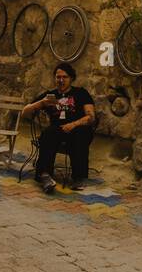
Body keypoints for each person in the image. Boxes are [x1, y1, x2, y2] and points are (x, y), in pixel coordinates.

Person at [22, 63, 96, 193]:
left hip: (77, 127)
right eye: (58, 77)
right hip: (57, 129)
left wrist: (73, 124)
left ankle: (78, 177)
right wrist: (42, 102)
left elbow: (91, 117)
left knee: (80, 135)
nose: (61, 80)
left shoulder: (81, 93)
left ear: (71, 78)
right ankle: (44, 175)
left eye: (64, 77)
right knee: (48, 134)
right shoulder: (50, 95)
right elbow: (25, 112)